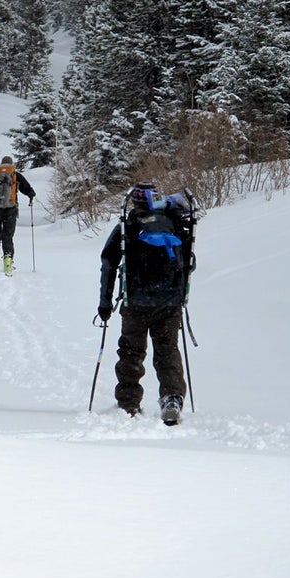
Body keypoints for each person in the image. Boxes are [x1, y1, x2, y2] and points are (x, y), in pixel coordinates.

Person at [96, 181, 194, 425]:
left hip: (136, 300)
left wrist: (105, 302)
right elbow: (188, 260)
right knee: (167, 350)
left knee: (131, 352)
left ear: (135, 201)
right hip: (170, 301)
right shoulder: (175, 222)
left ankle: (129, 404)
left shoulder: (127, 225)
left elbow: (109, 262)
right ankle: (172, 399)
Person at [0, 156, 35, 275]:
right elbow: (27, 189)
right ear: (11, 164)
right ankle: (8, 263)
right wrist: (31, 195)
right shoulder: (15, 175)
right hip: (11, 210)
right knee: (8, 236)